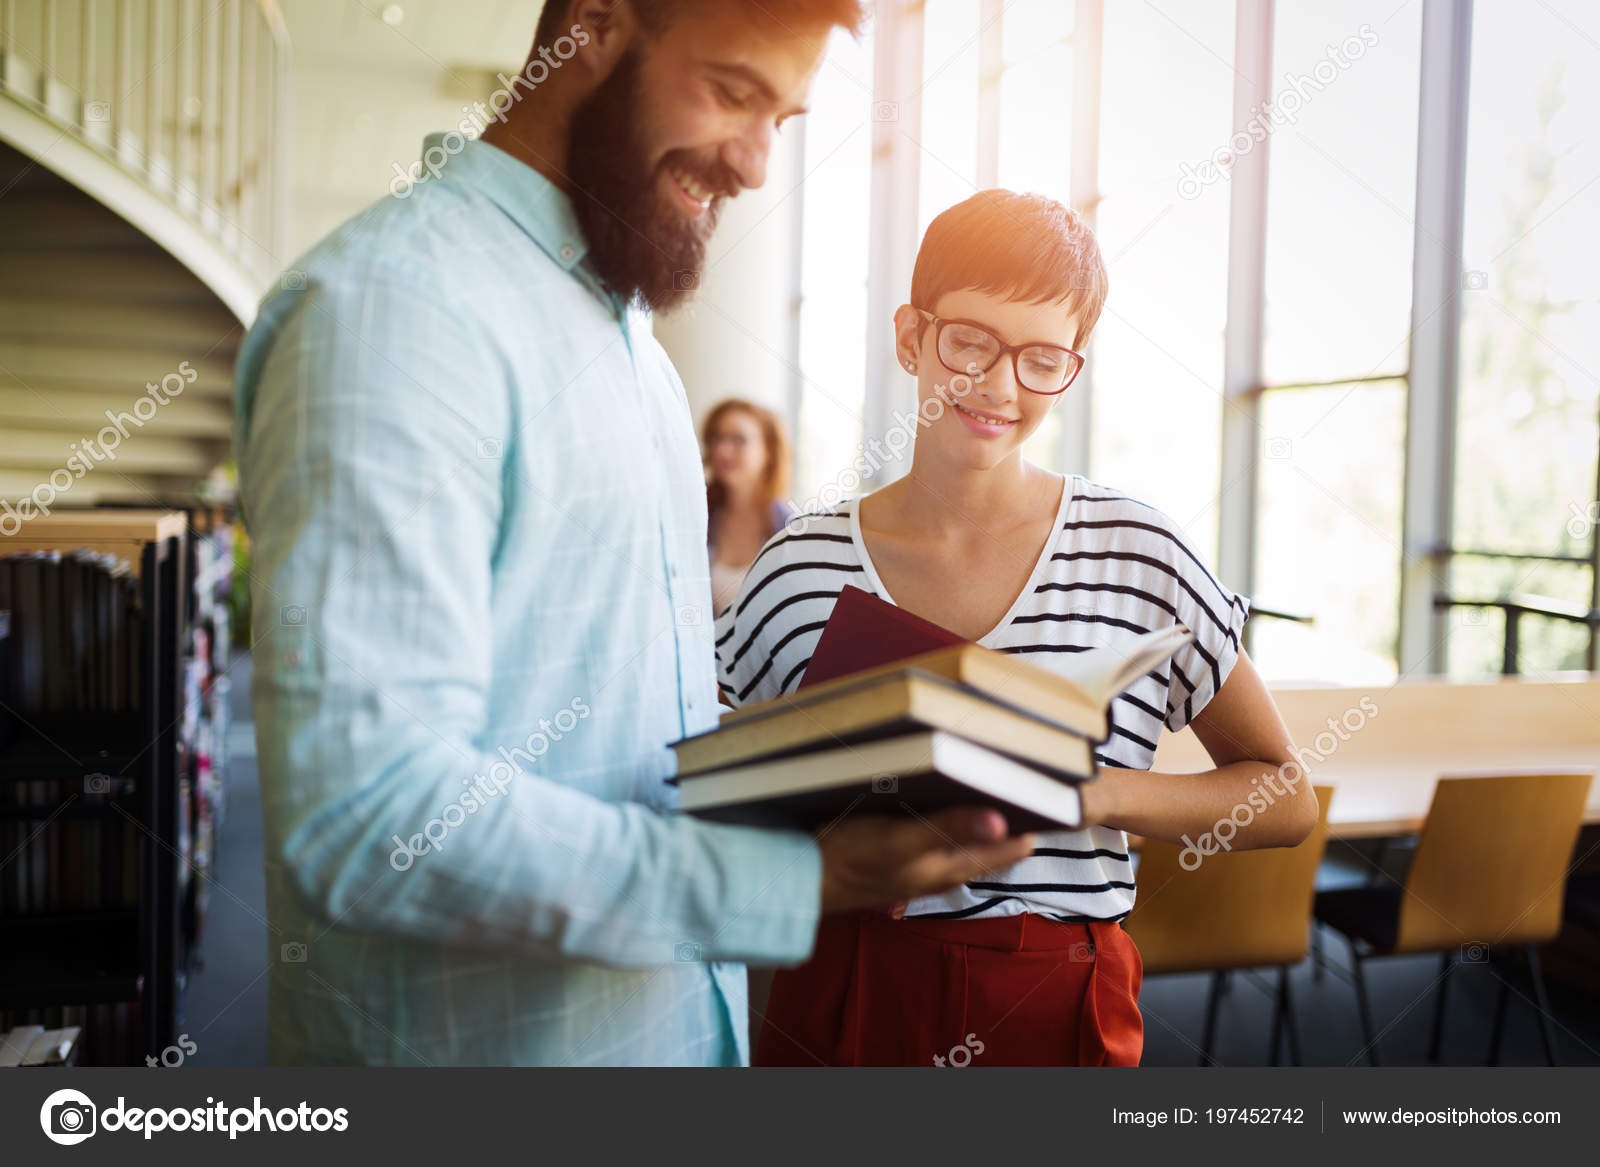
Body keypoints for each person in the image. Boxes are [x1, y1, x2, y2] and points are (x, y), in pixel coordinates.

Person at [233, 0, 1036, 1067]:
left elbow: (612, 743)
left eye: (782, 120)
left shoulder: (633, 350)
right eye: (733, 92)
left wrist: (819, 801)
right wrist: (805, 883)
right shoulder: (395, 312)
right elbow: (370, 818)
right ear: (598, 28)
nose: (755, 165)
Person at [715, 189, 1317, 1067]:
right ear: (911, 336)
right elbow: (716, 786)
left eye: (1043, 358)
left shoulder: (1141, 553)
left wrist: (1092, 796)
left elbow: (1284, 795)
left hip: (1054, 988)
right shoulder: (797, 565)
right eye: (969, 342)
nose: (999, 386)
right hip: (845, 971)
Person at [703, 399, 797, 614]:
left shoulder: (791, 527)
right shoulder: (700, 520)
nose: (723, 451)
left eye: (739, 440)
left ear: (769, 451)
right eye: (716, 439)